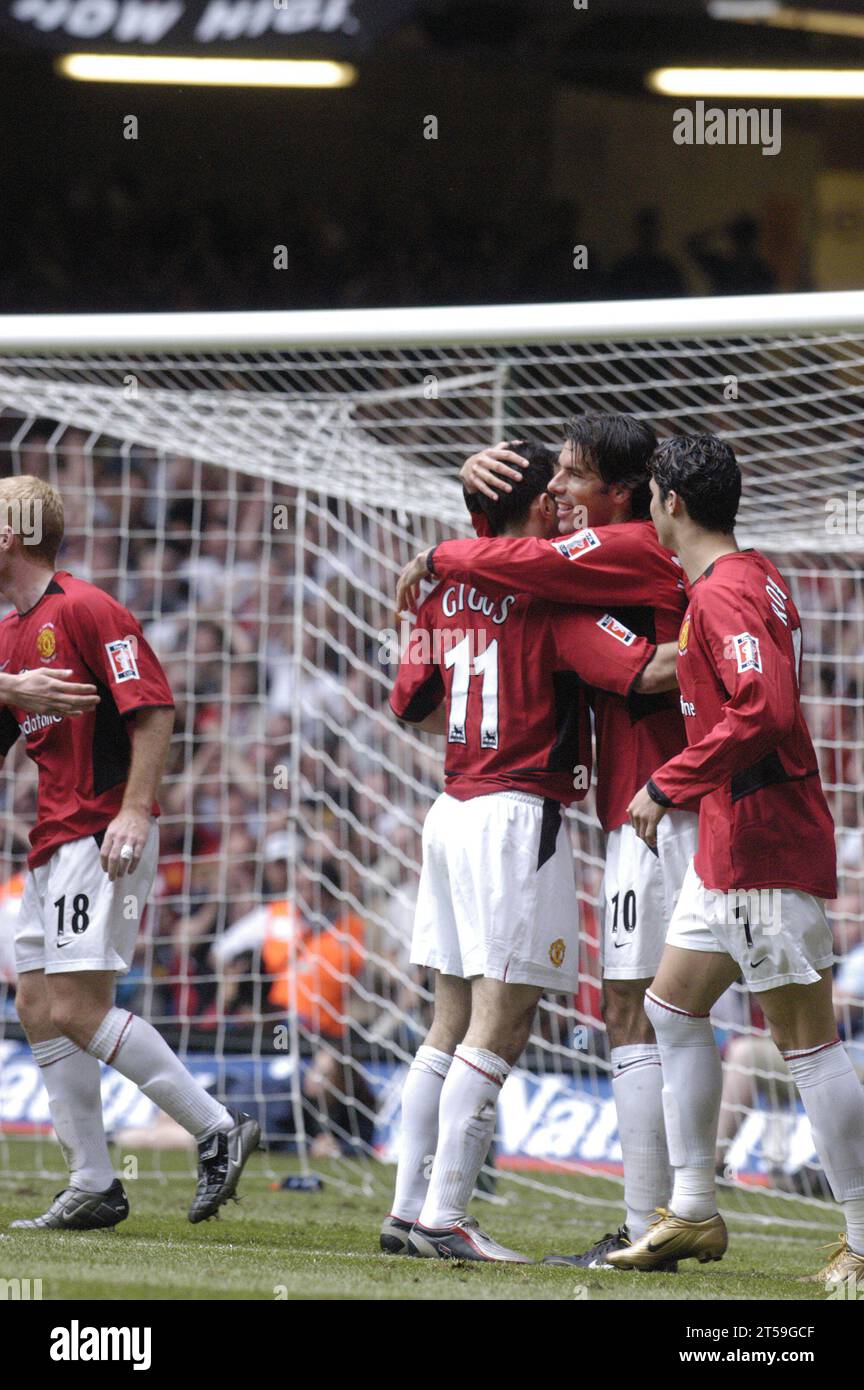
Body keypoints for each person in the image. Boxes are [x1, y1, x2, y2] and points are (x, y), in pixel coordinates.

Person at [398, 414, 698, 1269]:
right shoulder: (558, 596)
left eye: (575, 477)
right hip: (530, 810)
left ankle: (414, 1207)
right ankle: (447, 1215)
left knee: (457, 1018)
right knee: (523, 1015)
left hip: (466, 805)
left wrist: (441, 560)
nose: (563, 495)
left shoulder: (456, 590)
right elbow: (632, 662)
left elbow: (411, 699)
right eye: (553, 482)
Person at [613, 434, 864, 1285]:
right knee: (672, 1008)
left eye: (651, 496)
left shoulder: (724, 593)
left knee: (808, 1045)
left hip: (760, 840)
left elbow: (765, 708)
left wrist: (668, 781)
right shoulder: (750, 577)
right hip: (728, 845)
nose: (648, 509)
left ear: (672, 504)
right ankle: (692, 1209)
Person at [1, 475, 260, 1231]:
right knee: (36, 1005)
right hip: (51, 840)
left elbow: (153, 708)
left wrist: (136, 810)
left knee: (76, 1007)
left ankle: (217, 1127)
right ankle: (93, 1183)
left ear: (10, 536)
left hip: (99, 831)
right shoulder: (12, 636)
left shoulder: (87, 608)